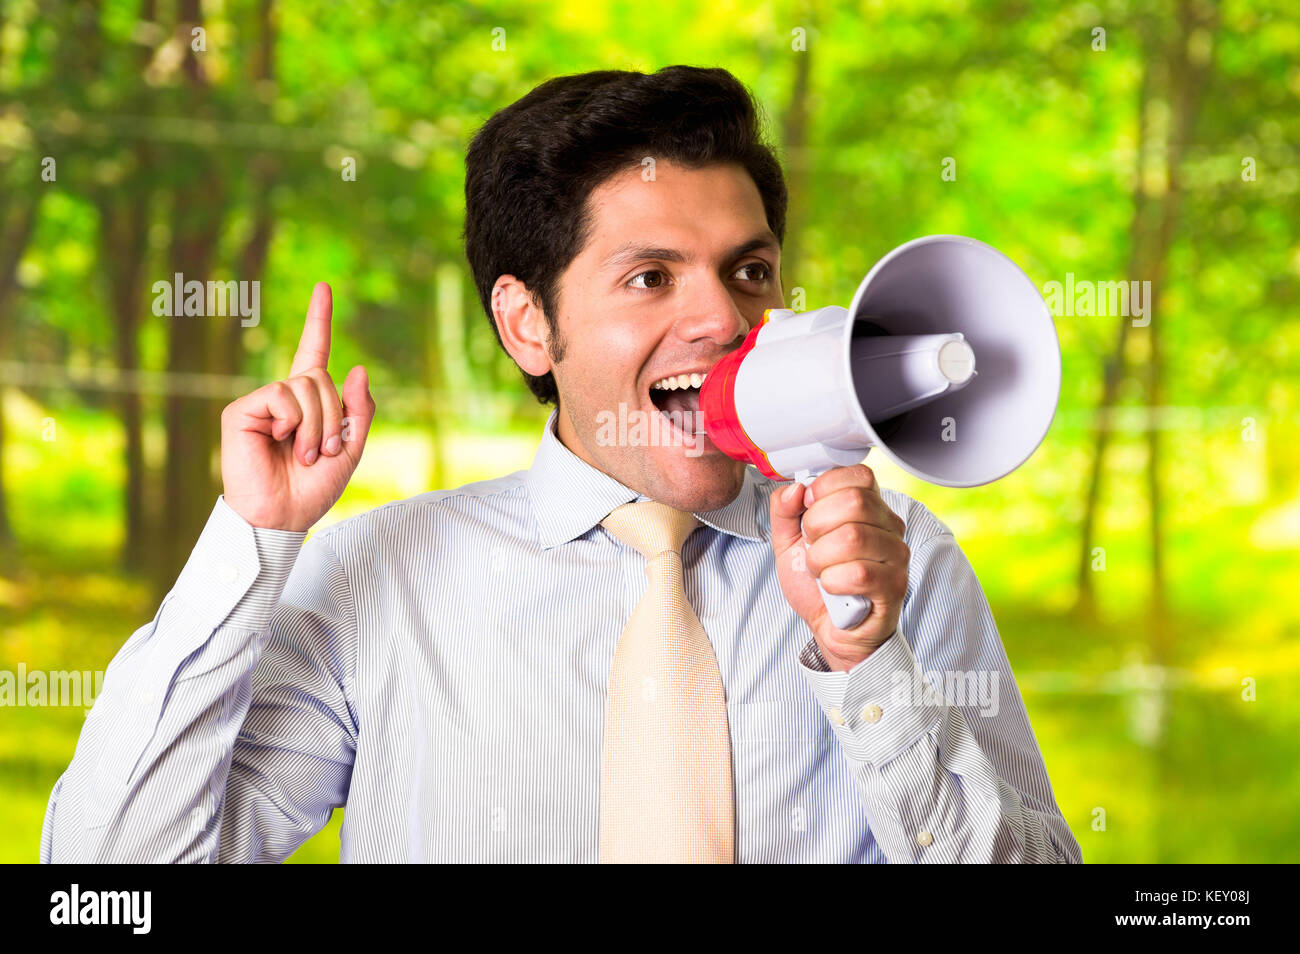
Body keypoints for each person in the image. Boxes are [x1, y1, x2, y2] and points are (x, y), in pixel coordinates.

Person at [40, 65, 1081, 863]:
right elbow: (105, 876)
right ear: (528, 323)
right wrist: (252, 541)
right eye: (650, 275)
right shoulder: (379, 583)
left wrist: (871, 667)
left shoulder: (900, 569)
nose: (722, 317)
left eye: (748, 270)